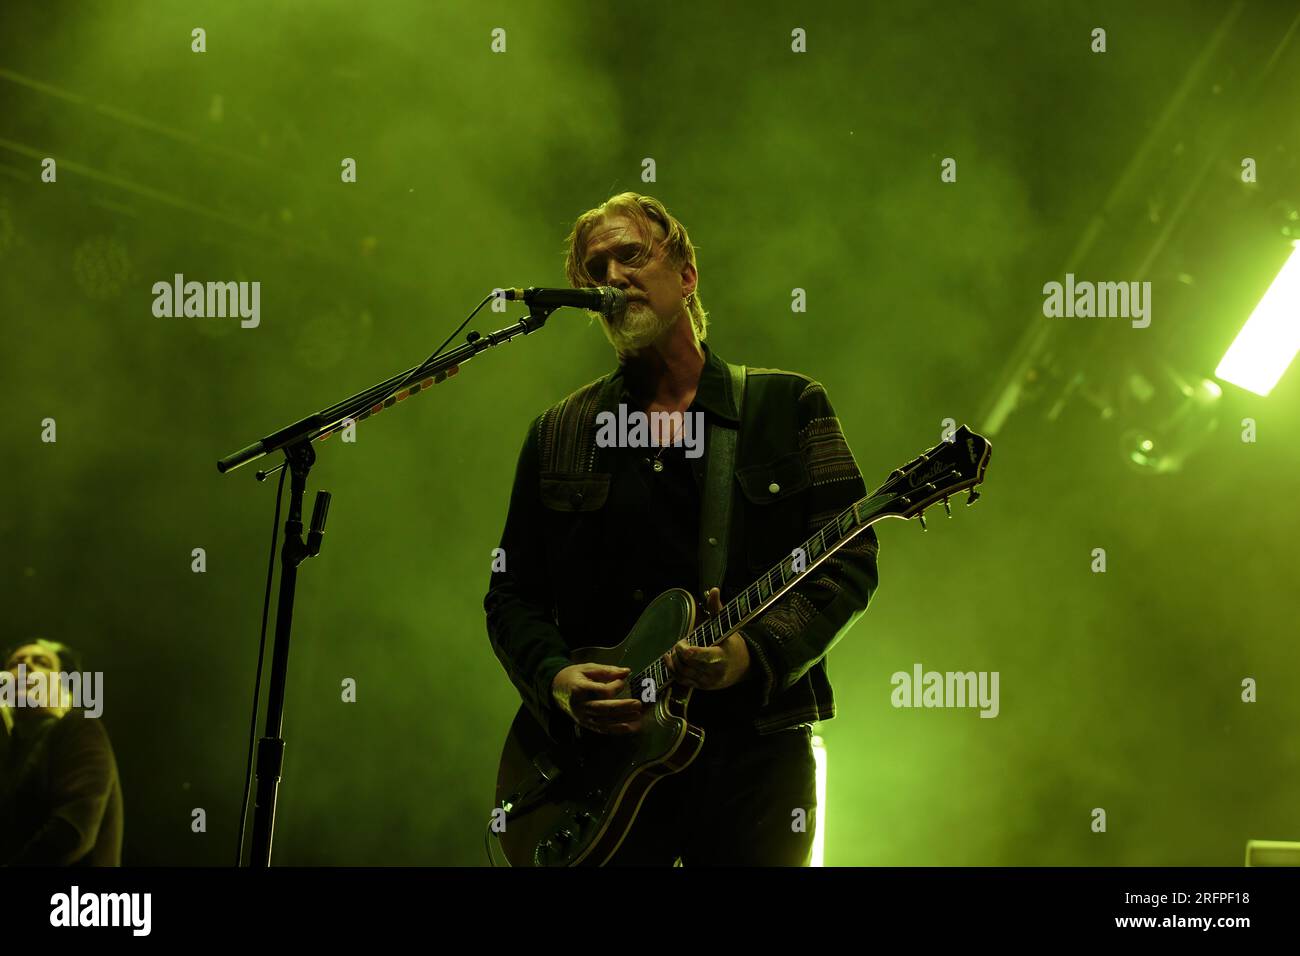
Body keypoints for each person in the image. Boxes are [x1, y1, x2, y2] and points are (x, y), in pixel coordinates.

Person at [485, 192, 879, 865]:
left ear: (687, 273)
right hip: (599, 771)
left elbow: (848, 563)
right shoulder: (560, 435)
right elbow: (510, 593)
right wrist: (555, 679)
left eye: (630, 256)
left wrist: (750, 656)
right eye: (594, 269)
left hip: (755, 759)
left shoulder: (789, 407)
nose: (611, 277)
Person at [0, 639, 123, 866]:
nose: (24, 666)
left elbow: (72, 831)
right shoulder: (9, 755)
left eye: (42, 662)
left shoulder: (78, 726)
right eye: (14, 664)